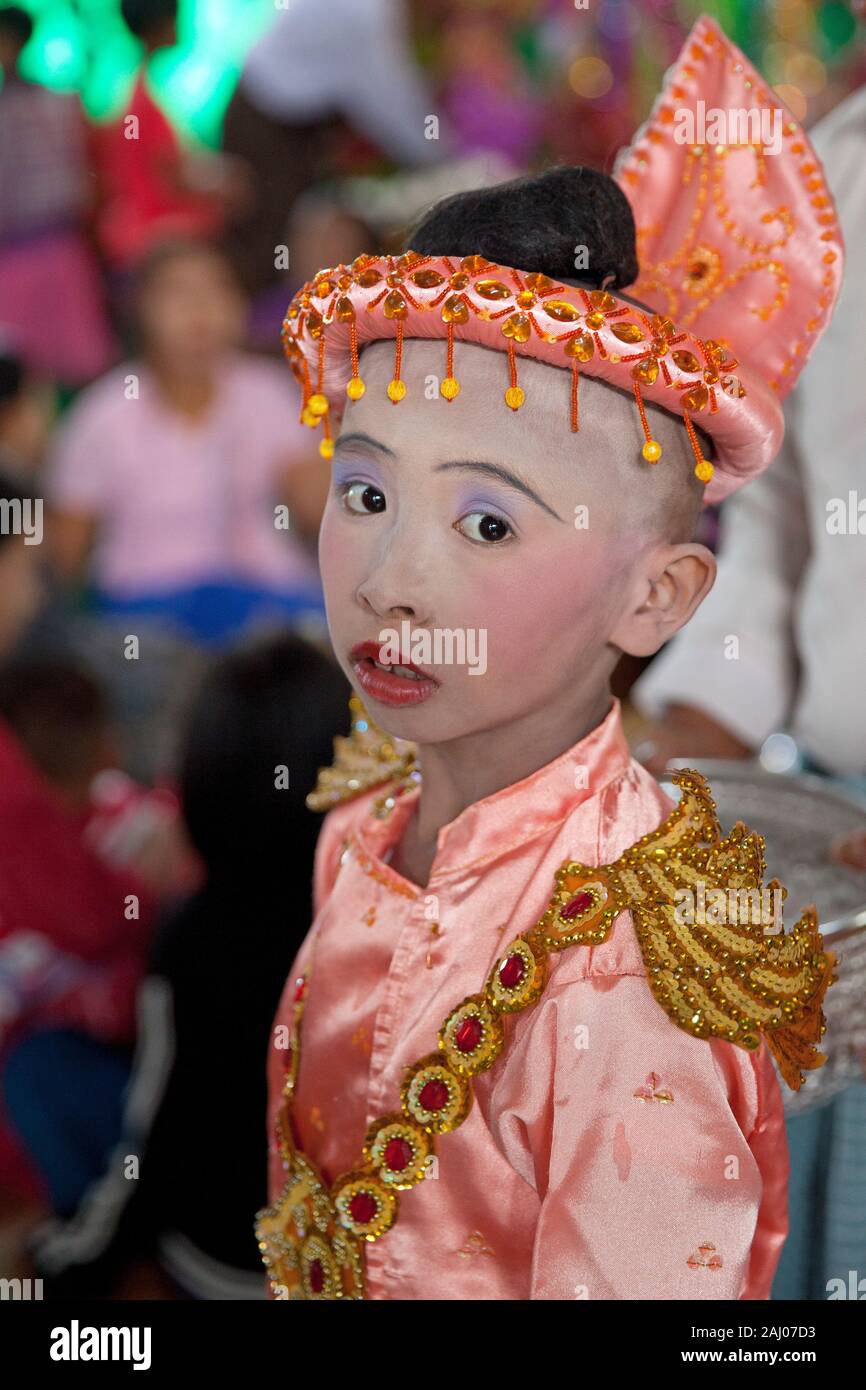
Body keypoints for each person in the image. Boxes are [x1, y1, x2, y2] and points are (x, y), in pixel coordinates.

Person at [256, 19, 841, 1300]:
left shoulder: (631, 984)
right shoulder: (361, 819)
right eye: (364, 496)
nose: (393, 581)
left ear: (658, 595)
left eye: (485, 522)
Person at [23, 633, 350, 1299]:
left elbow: (155, 1137)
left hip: (223, 1264)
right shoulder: (377, 924)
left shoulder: (194, 938)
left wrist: (66, 1261)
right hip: (347, 1264)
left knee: (38, 1070)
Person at [46, 237, 329, 646]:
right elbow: (66, 556)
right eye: (178, 292)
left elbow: (317, 513)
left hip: (267, 595)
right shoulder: (104, 414)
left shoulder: (269, 393)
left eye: (217, 288)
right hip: (147, 610)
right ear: (140, 309)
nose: (200, 309)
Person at [0, 6, 116, 386]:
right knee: (19, 374)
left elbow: (89, 179)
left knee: (80, 369)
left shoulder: (58, 102)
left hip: (61, 250)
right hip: (14, 256)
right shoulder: (58, 102)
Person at [92, 0, 246, 281]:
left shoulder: (137, 90)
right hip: (158, 232)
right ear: (162, 25)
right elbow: (170, 175)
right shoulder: (142, 102)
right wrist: (221, 184)